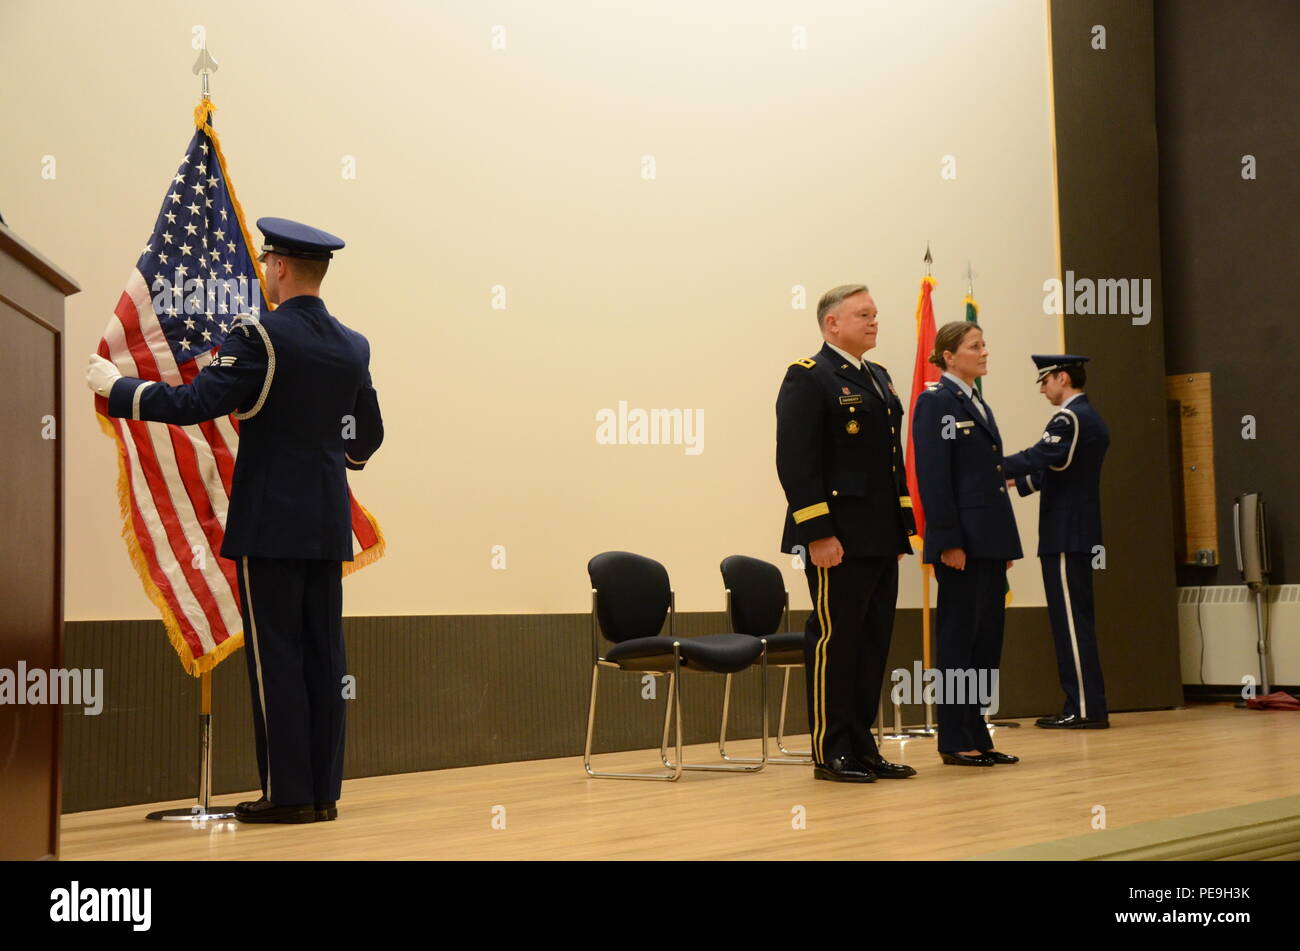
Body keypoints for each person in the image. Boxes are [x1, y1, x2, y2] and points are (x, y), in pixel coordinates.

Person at [86, 217, 383, 823]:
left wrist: (120, 390)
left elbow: (197, 404)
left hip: (271, 522)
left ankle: (287, 795)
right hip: (326, 525)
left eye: (267, 263)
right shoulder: (354, 345)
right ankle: (322, 795)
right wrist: (335, 456)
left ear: (277, 268)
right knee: (323, 657)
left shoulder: (260, 336)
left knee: (277, 658)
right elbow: (366, 439)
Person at [775, 284, 917, 783]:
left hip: (879, 534)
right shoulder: (809, 377)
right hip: (836, 535)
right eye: (863, 315)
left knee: (872, 642)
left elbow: (891, 464)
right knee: (837, 641)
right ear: (832, 323)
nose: (875, 322)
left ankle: (863, 745)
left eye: (876, 314)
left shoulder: (877, 377)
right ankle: (831, 750)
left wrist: (902, 529)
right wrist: (817, 533)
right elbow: (796, 463)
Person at [910, 321, 1021, 766]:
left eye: (984, 344)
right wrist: (947, 540)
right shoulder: (936, 402)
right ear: (949, 356)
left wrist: (1002, 546)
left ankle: (978, 731)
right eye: (975, 346)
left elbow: (988, 478)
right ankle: (955, 738)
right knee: (958, 641)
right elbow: (934, 477)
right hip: (961, 544)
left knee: (985, 642)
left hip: (988, 542)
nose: (984, 352)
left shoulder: (978, 403)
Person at [1003, 354, 1111, 729]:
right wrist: (1020, 482)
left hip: (1066, 532)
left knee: (1071, 623)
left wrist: (990, 465)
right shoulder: (1088, 417)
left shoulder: (1069, 418)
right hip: (1075, 531)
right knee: (1072, 620)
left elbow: (1041, 456)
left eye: (1045, 381)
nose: (1043, 389)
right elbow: (1059, 470)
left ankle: (1083, 708)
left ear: (1062, 377)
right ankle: (1082, 704)